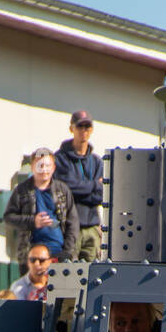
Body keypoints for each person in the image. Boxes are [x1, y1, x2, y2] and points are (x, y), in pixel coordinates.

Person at [3, 147, 78, 272]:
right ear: (33, 167)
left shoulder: (62, 190)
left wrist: (68, 251)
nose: (44, 170)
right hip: (31, 257)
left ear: (53, 167)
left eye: (47, 165)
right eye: (40, 165)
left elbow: (73, 222)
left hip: (58, 255)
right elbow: (9, 217)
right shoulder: (22, 190)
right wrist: (33, 221)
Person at [54, 110, 103, 262]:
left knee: (92, 274)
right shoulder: (60, 158)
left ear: (92, 129)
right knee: (69, 274)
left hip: (92, 226)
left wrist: (80, 190)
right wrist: (95, 184)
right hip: (69, 227)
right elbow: (66, 189)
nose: (84, 130)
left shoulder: (97, 161)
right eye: (80, 126)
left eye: (87, 126)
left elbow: (102, 194)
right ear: (72, 128)